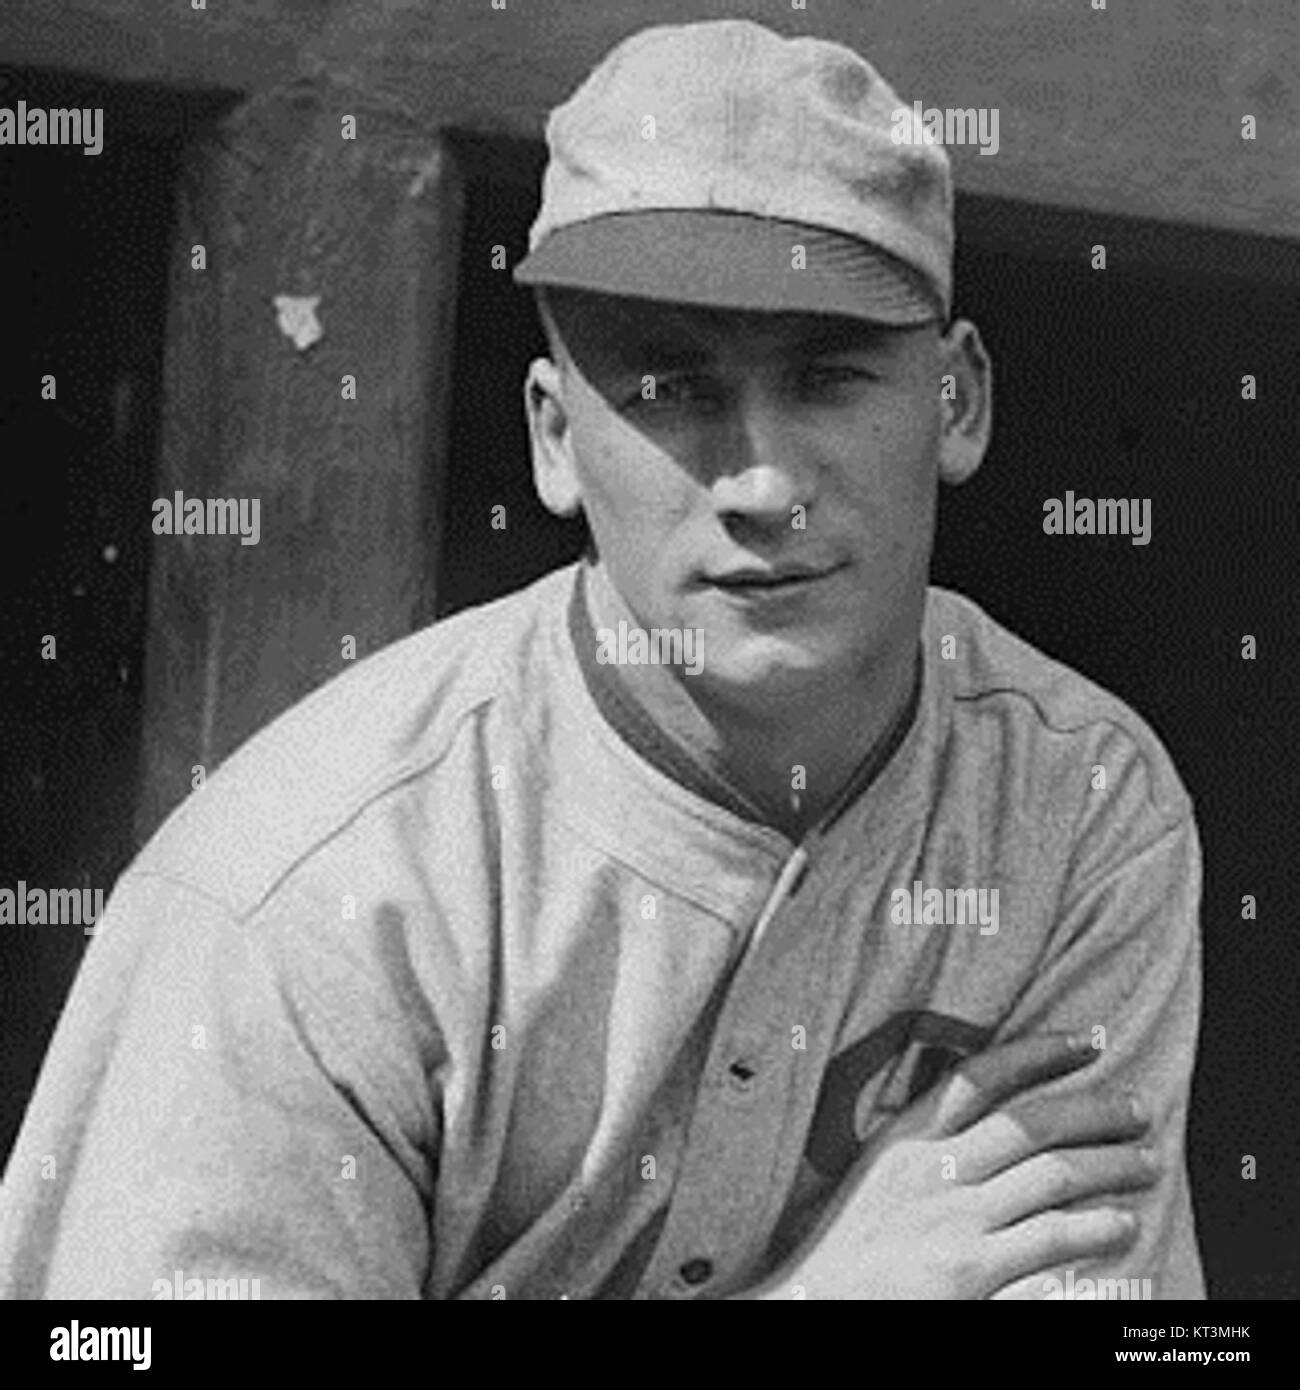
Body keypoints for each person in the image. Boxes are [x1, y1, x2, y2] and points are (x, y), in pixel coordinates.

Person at [0, 19, 1202, 1300]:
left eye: (828, 376)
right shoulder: (308, 891)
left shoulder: (1075, 809)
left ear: (956, 402)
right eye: (671, 387)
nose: (763, 483)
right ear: (555, 438)